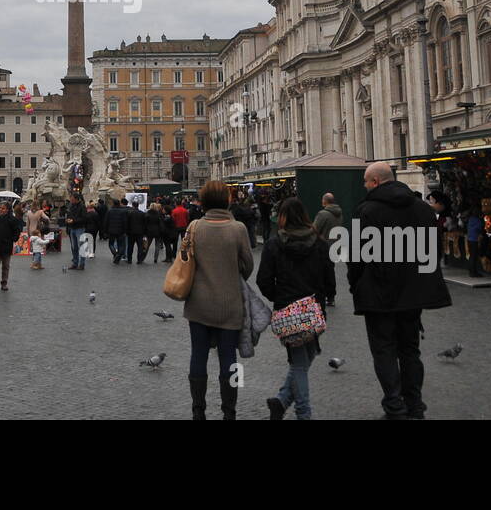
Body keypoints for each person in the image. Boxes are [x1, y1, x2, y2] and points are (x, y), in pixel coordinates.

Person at [348, 162, 452, 420]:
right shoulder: (422, 209)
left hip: (378, 293)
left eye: (365, 181)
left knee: (384, 350)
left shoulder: (366, 211)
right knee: (409, 350)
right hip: (412, 294)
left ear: (375, 182)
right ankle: (415, 405)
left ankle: (394, 406)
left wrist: (357, 285)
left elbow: (356, 257)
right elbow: (434, 251)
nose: (364, 186)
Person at [256, 198, 336, 420]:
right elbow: (330, 278)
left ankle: (283, 402)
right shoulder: (319, 244)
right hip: (313, 308)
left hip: (288, 309)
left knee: (305, 357)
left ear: (282, 217)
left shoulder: (274, 244)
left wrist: (280, 297)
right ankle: (302, 412)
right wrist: (322, 296)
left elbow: (264, 280)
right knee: (303, 360)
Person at [183, 181, 253, 420]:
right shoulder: (238, 229)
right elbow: (248, 266)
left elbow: (183, 259)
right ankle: (229, 412)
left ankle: (198, 410)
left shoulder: (194, 227)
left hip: (198, 304)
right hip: (230, 304)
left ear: (202, 202)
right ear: (227, 201)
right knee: (229, 359)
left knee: (198, 355)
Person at [0, 200, 22, 290]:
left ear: (7, 210)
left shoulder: (12, 219)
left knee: (5, 265)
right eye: (0, 208)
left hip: (7, 245)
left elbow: (17, 231)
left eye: (3, 208)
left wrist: (14, 238)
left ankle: (4, 283)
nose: (1, 210)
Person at [64, 192, 88, 270]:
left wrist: (73, 220)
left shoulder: (82, 207)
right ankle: (75, 263)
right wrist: (68, 220)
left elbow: (84, 219)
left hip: (80, 228)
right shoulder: (71, 205)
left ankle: (82, 264)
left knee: (81, 246)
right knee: (74, 247)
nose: (71, 200)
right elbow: (69, 214)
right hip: (72, 228)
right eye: (71, 199)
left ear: (77, 199)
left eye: (72, 199)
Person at [105, 198, 130, 263]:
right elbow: (125, 222)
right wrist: (125, 230)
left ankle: (115, 254)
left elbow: (106, 221)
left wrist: (105, 230)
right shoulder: (123, 211)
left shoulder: (110, 211)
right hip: (121, 231)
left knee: (111, 244)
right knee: (121, 245)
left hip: (111, 230)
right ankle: (118, 255)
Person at [126, 199, 146, 264]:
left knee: (130, 246)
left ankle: (129, 259)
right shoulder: (142, 213)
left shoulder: (129, 213)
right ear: (138, 205)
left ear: (132, 205)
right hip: (140, 232)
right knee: (140, 246)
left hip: (131, 232)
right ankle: (139, 260)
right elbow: (144, 224)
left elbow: (127, 223)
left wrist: (127, 231)